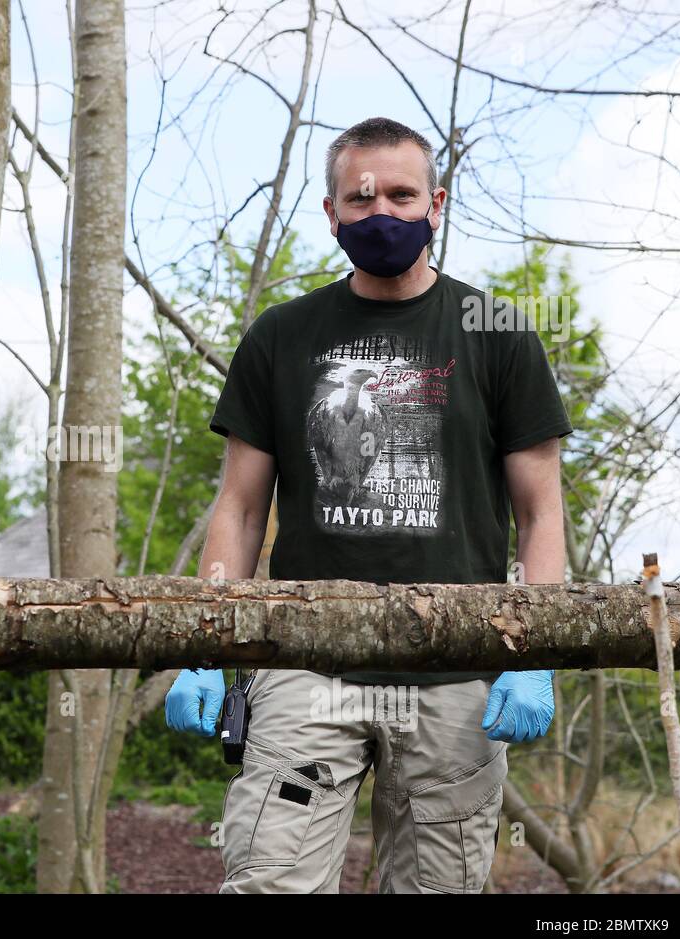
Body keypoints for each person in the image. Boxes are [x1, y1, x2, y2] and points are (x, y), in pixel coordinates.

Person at [166, 116, 573, 894]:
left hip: (457, 678)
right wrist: (206, 641)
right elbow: (242, 509)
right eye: (360, 198)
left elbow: (542, 513)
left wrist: (536, 655)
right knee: (269, 885)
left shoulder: (498, 335)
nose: (381, 211)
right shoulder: (283, 335)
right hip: (304, 664)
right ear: (330, 212)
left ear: (437, 202)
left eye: (401, 193)